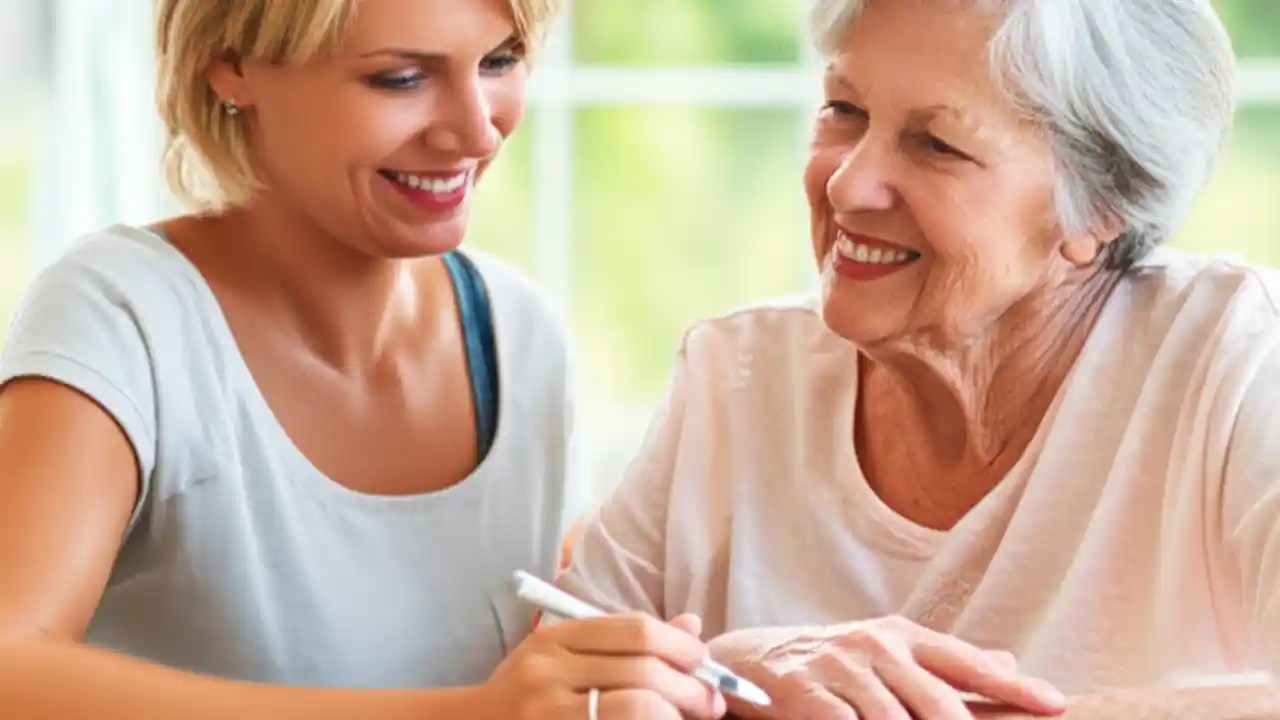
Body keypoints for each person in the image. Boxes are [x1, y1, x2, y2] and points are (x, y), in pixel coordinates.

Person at [0, 1, 723, 718]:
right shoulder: (123, 315)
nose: (475, 131)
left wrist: (684, 669)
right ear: (233, 68)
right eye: (402, 78)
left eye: (500, 61)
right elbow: (11, 664)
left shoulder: (521, 336)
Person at [560, 1, 1280, 718]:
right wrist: (730, 669)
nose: (846, 184)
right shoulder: (740, 373)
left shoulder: (1235, 357)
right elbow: (560, 684)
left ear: (1099, 206)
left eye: (936, 144)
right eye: (844, 109)